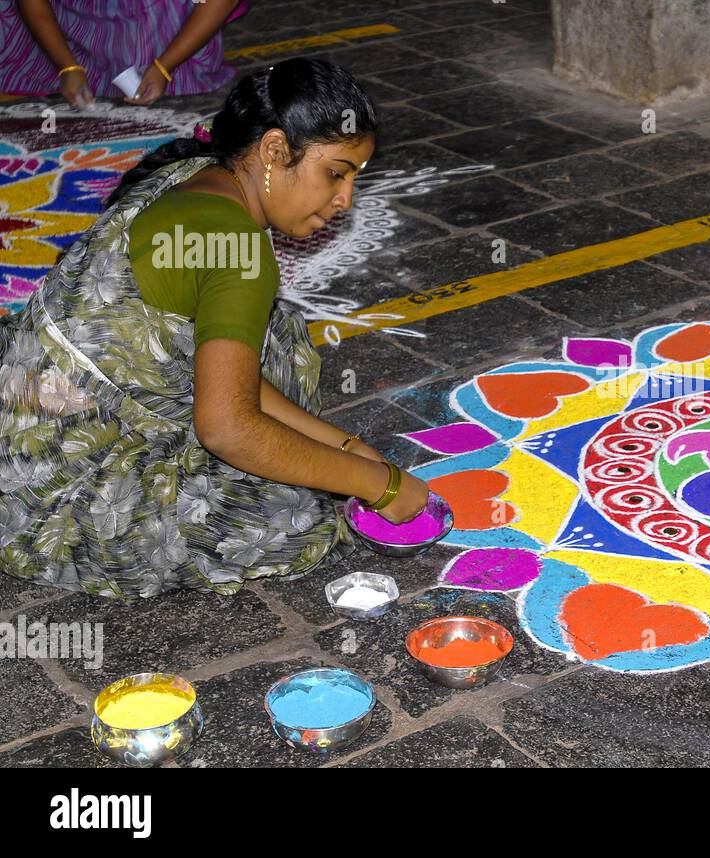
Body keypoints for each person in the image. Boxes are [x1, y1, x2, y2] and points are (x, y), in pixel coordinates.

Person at [0, 57, 434, 600]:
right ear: (275, 151)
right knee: (294, 509)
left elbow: (211, 366)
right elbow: (227, 430)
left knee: (278, 380)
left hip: (21, 427)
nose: (344, 201)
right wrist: (383, 486)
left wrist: (344, 445)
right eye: (336, 173)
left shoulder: (190, 174)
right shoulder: (240, 253)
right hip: (43, 506)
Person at [0, 0, 249, 108]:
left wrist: (164, 66)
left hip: (157, 17)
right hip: (74, 16)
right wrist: (67, 66)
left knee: (136, 57)